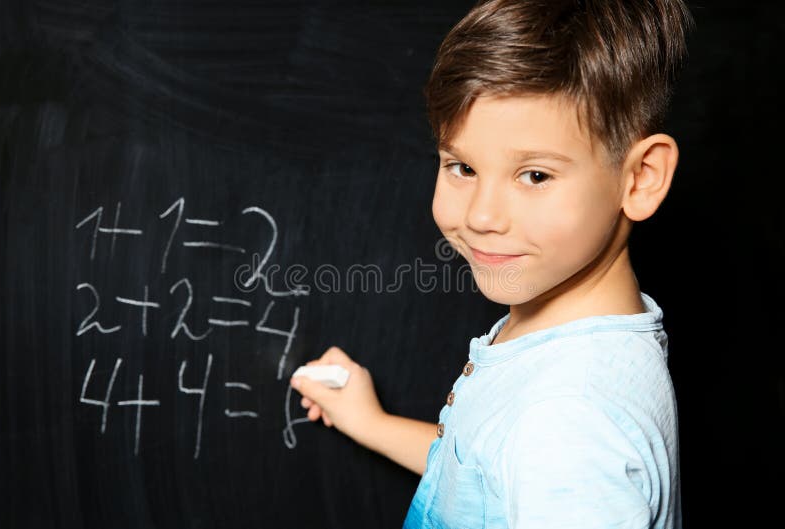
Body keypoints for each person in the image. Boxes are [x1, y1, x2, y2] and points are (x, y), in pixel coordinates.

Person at [290, 0, 694, 527]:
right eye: (461, 167)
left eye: (535, 176)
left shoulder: (569, 421)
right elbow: (483, 470)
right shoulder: (571, 344)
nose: (481, 216)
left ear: (639, 178)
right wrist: (372, 422)